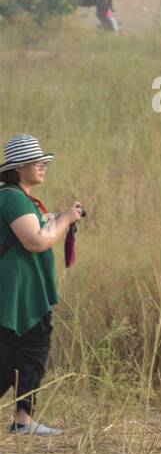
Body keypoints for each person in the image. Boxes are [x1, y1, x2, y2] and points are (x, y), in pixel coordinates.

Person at [0, 134, 83, 435]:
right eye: (38, 162)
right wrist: (63, 219)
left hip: (26, 290)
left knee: (30, 352)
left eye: (44, 162)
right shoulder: (11, 197)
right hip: (16, 292)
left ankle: (24, 419)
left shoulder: (23, 199)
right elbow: (35, 241)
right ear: (19, 166)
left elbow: (39, 231)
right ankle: (24, 420)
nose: (44, 166)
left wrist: (61, 218)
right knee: (13, 354)